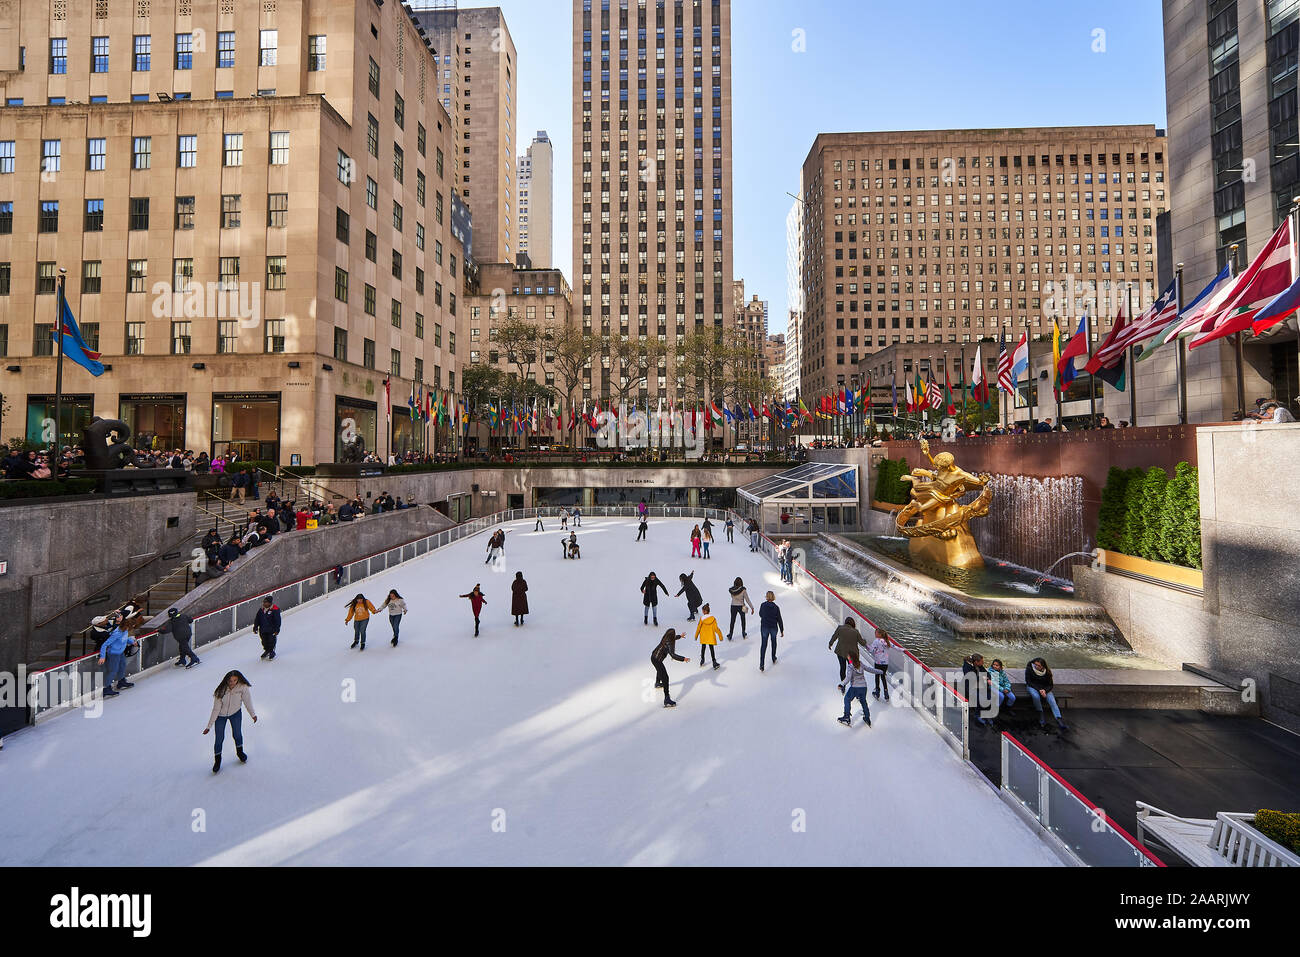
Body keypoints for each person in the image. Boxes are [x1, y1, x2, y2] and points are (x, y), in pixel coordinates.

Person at [203, 670, 257, 774]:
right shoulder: (221, 691)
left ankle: (240, 752)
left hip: (235, 713)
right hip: (221, 716)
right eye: (230, 680)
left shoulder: (242, 688)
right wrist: (209, 726)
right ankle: (217, 761)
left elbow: (247, 702)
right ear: (226, 680)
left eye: (235, 680)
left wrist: (253, 714)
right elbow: (216, 709)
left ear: (238, 679)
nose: (232, 683)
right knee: (219, 738)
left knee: (237, 734)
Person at [97, 618, 138, 697]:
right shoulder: (116, 633)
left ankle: (121, 682)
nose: (132, 627)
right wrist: (102, 656)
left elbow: (124, 639)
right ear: (127, 626)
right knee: (113, 670)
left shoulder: (125, 631)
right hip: (113, 654)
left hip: (120, 652)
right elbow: (105, 645)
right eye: (132, 626)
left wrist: (132, 642)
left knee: (122, 666)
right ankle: (106, 689)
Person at [1026, 657, 1068, 730]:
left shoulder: (1047, 672)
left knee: (1052, 701)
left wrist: (1044, 690)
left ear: (1043, 666)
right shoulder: (1030, 669)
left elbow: (1050, 685)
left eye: (1039, 665)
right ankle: (1040, 713)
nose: (1036, 667)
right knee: (1036, 696)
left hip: (1045, 689)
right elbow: (1028, 682)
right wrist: (1039, 689)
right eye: (1036, 665)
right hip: (1033, 687)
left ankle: (1059, 719)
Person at [651, 628, 689, 708]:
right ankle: (667, 699)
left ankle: (657, 683)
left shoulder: (665, 637)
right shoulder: (669, 642)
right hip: (657, 660)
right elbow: (673, 655)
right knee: (665, 677)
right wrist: (683, 659)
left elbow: (673, 637)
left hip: (654, 656)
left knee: (659, 669)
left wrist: (680, 636)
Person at [828, 616, 868, 684]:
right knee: (852, 669)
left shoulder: (840, 628)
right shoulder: (855, 632)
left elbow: (834, 637)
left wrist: (830, 644)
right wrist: (865, 641)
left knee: (842, 667)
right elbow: (862, 643)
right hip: (851, 655)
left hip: (841, 652)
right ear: (853, 624)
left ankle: (843, 685)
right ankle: (853, 684)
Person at [837, 655, 873, 727]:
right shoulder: (860, 663)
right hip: (864, 687)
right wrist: (881, 672)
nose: (847, 658)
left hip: (855, 687)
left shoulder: (850, 666)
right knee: (863, 701)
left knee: (847, 699)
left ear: (851, 658)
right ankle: (867, 717)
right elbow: (870, 669)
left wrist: (841, 684)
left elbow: (848, 678)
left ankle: (847, 717)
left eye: (848, 657)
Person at [963, 653, 993, 726]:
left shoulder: (979, 665)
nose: (983, 663)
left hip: (980, 684)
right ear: (976, 662)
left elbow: (986, 673)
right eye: (981, 662)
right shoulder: (967, 667)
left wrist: (988, 678)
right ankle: (977, 715)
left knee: (989, 696)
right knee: (980, 698)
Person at [757, 591, 783, 672]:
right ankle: (773, 657)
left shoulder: (763, 605)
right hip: (773, 627)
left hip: (764, 626)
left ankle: (761, 664)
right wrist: (782, 630)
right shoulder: (776, 607)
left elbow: (760, 614)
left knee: (764, 645)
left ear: (767, 597)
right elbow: (779, 619)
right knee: (774, 642)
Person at [694, 604, 723, 670]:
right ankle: (714, 662)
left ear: (704, 611)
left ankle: (702, 660)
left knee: (703, 648)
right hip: (710, 636)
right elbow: (716, 628)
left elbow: (698, 628)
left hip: (704, 636)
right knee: (711, 649)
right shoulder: (713, 619)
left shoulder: (702, 619)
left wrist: (696, 635)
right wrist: (720, 636)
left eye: (703, 611)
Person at [868, 628, 891, 701]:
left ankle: (877, 692)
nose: (875, 634)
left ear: (879, 634)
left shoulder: (876, 641)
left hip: (878, 662)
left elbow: (872, 650)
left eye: (876, 633)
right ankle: (886, 693)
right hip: (885, 663)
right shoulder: (887, 642)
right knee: (883, 677)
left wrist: (866, 645)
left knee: (877, 676)